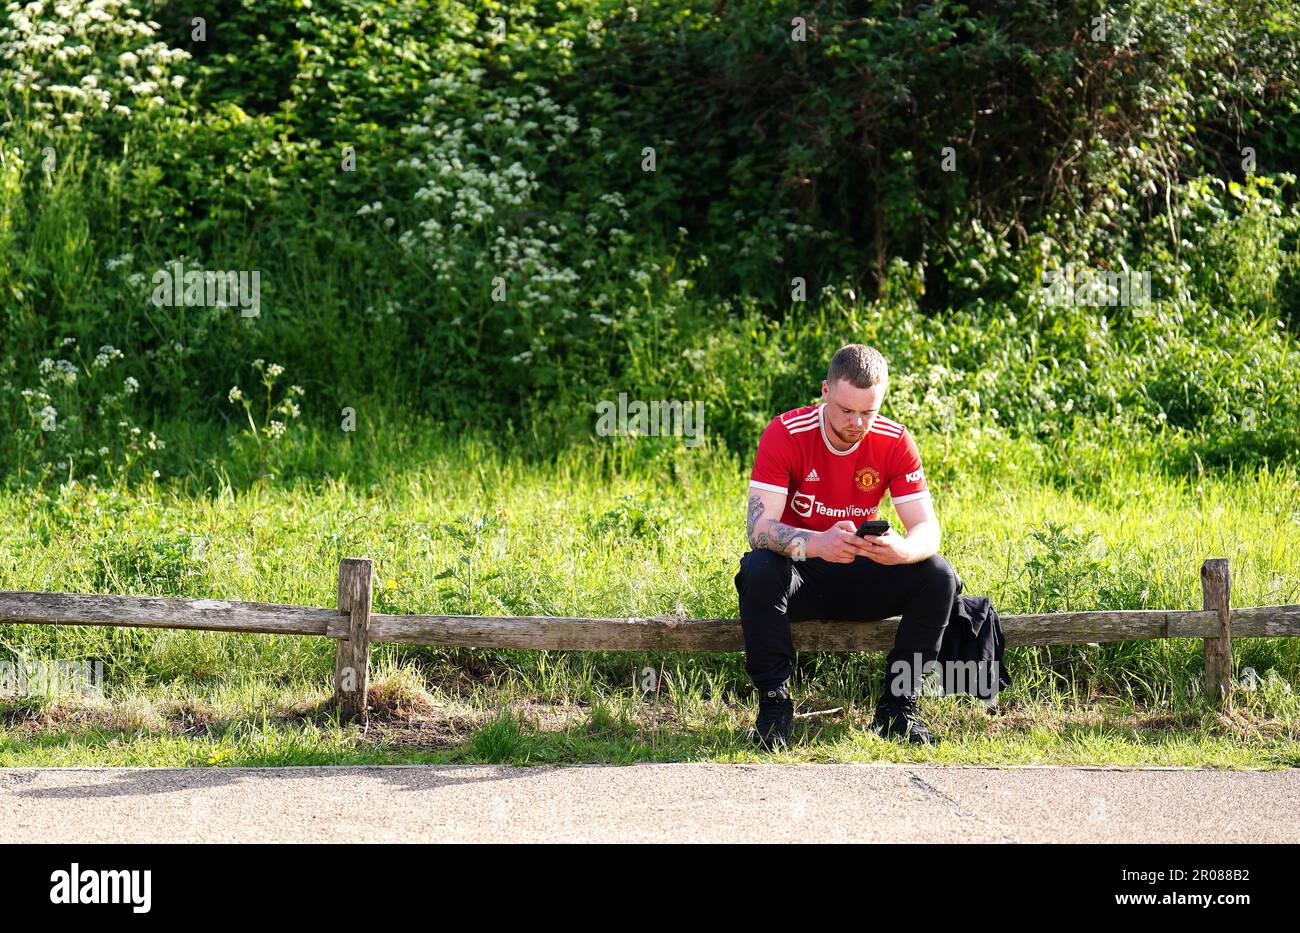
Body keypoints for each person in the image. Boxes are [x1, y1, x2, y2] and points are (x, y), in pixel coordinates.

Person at [736, 344, 959, 749]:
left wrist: (901, 551)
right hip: (803, 570)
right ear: (825, 390)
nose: (857, 422)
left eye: (868, 412)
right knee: (758, 569)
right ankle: (774, 707)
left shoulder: (895, 440)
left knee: (938, 574)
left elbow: (927, 528)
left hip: (862, 570)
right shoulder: (785, 433)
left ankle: (898, 709)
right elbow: (759, 529)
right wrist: (816, 543)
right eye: (846, 410)